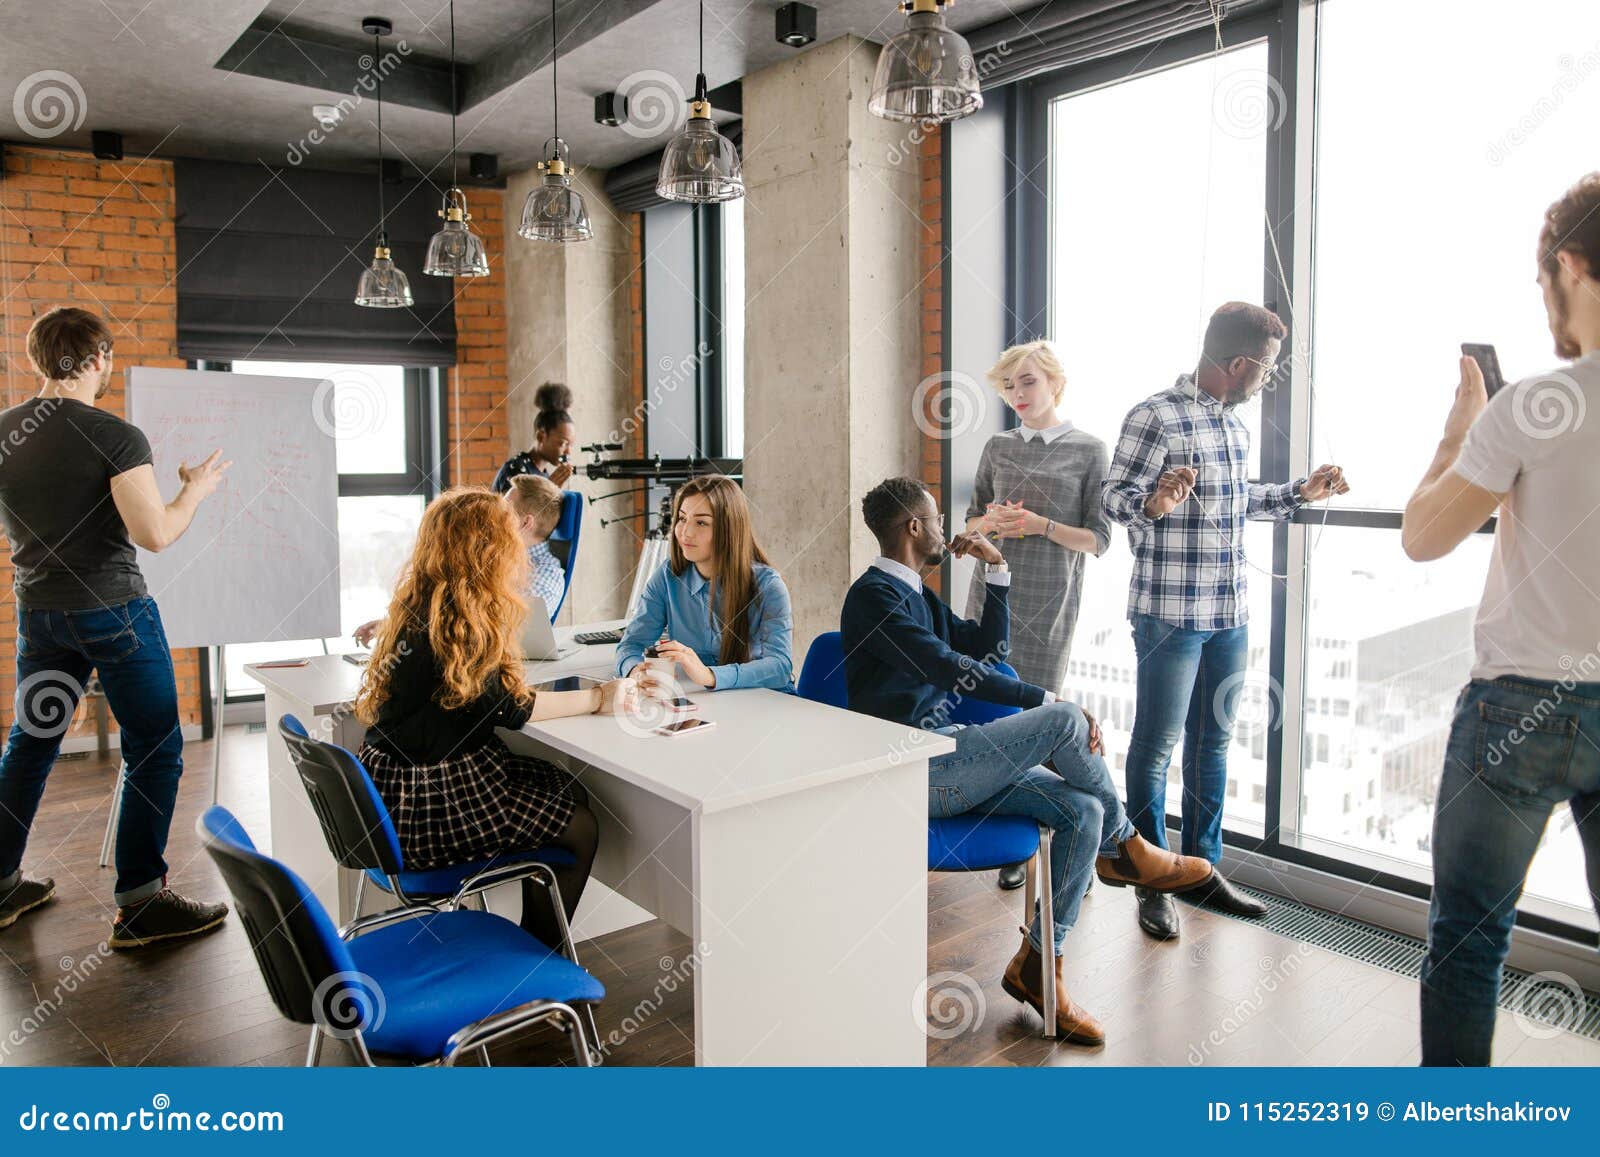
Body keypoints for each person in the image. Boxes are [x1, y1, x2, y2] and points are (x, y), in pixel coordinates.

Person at [841, 477, 1214, 1043]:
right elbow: (944, 665)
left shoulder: (917, 594)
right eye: (937, 520)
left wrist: (996, 570)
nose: (947, 529)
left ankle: (1038, 968)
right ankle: (1129, 849)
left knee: (1082, 812)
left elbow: (990, 652)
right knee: (1064, 719)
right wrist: (1048, 700)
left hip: (952, 758)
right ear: (914, 528)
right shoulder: (873, 597)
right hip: (908, 771)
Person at [1402, 174, 1600, 1067]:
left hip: (1517, 709)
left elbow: (1422, 537)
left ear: (1568, 265)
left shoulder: (1531, 407)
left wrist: (1459, 429)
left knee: (1470, 942)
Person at [1102, 302, 1349, 941]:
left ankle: (1202, 872)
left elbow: (1240, 504)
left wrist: (1301, 492)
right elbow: (1112, 498)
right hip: (1170, 615)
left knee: (1212, 745)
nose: (1267, 378)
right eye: (1264, 369)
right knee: (1157, 747)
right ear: (1238, 364)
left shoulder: (1236, 432)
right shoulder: (1153, 415)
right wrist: (1153, 502)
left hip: (1229, 614)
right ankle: (1151, 877)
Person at [0, 307, 232, 947]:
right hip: (113, 612)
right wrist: (196, 490)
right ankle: (140, 905)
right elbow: (154, 533)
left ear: (39, 359)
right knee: (155, 747)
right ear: (98, 358)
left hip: (40, 613)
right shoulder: (115, 435)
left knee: (31, 743)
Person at [353, 487, 636, 947]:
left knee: (565, 786)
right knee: (581, 827)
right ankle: (541, 955)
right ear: (488, 550)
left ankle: (533, 934)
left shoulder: (422, 604)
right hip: (430, 801)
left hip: (391, 789)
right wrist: (599, 698)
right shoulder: (461, 624)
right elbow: (513, 709)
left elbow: (492, 701)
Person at [966, 341, 1113, 892]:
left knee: (1039, 717)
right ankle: (1004, 829)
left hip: (1050, 600)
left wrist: (1038, 526)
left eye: (1027, 382)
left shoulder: (1089, 450)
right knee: (989, 708)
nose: (1017, 395)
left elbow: (1098, 539)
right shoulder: (998, 447)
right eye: (1008, 386)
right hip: (990, 595)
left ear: (1054, 382)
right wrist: (991, 522)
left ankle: (1052, 836)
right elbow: (969, 523)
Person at [615, 475, 794, 694]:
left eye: (701, 522)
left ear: (728, 529)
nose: (685, 532)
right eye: (682, 519)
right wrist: (635, 670)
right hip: (704, 701)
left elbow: (779, 667)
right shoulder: (667, 576)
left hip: (766, 703)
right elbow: (632, 644)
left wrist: (710, 676)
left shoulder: (769, 586)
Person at [353, 474, 566, 647]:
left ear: (525, 523)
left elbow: (502, 631)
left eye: (505, 511)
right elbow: (453, 613)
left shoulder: (546, 573)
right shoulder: (490, 557)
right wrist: (394, 627)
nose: (496, 516)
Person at [493, 382, 576, 491]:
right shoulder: (516, 470)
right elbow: (511, 508)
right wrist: (548, 489)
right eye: (563, 443)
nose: (568, 452)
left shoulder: (544, 474)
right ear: (541, 437)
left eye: (571, 445)